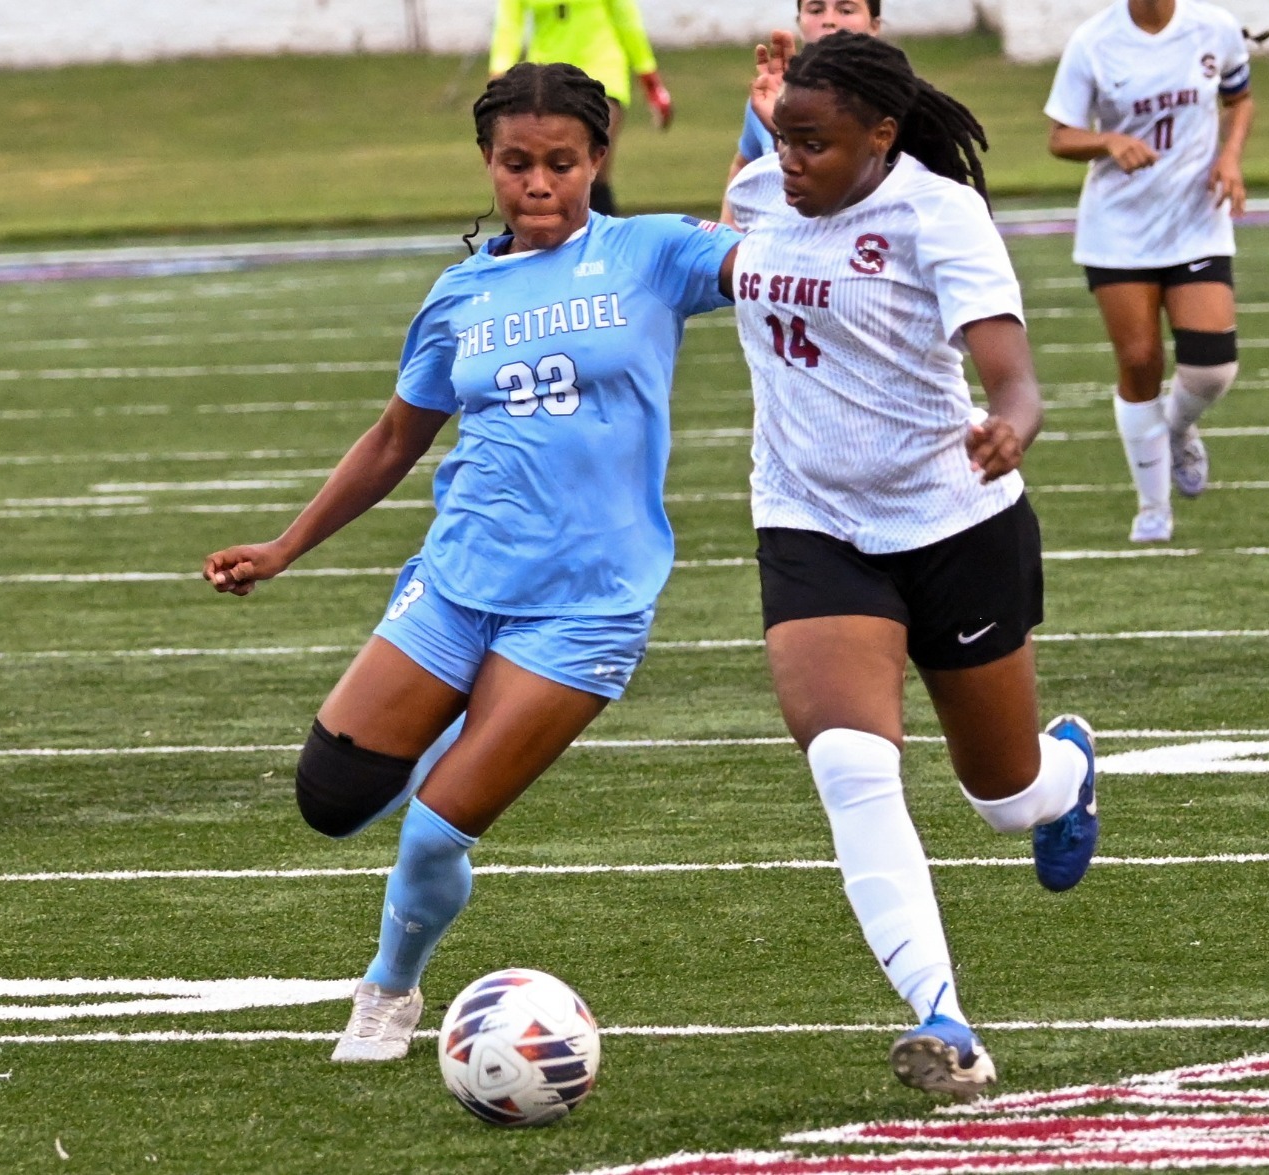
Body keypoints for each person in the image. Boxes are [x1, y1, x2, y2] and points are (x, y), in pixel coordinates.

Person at [202, 62, 739, 1063]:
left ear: (601, 156)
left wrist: (764, 134)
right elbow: (394, 439)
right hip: (456, 582)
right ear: (487, 163)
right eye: (515, 164)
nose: (538, 184)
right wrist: (282, 547)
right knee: (330, 797)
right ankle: (452, 765)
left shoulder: (650, 252)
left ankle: (388, 990)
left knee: (434, 832)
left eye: (562, 163)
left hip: (587, 603)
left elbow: (766, 261)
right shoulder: (460, 292)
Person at [727, 32, 1098, 1099]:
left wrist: (1012, 422)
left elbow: (1007, 368)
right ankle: (942, 1014)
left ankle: (1065, 770)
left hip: (956, 526)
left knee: (1003, 792)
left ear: (880, 137)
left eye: (814, 142)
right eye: (780, 138)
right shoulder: (756, 194)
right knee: (849, 763)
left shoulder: (938, 213)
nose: (789, 160)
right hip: (809, 525)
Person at [1042, 0, 1255, 542]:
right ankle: (1153, 507)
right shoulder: (1095, 41)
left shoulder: (1215, 27)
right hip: (1119, 230)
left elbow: (1241, 98)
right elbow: (1061, 135)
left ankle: (1178, 427)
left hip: (1195, 221)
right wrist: (1107, 140)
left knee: (1211, 370)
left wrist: (1229, 158)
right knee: (1139, 363)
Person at [491, 0, 674, 216]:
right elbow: (509, 25)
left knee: (592, 169)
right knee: (543, 170)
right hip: (545, 80)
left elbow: (627, 20)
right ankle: (536, 241)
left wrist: (651, 82)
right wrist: (499, 75)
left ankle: (607, 244)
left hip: (602, 74)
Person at [718, 0, 883, 229]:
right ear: (799, 22)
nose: (829, 20)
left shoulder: (888, 106)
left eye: (846, 10)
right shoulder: (772, 99)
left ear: (874, 26)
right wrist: (727, 233)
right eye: (815, 10)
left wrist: (785, 129)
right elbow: (744, 163)